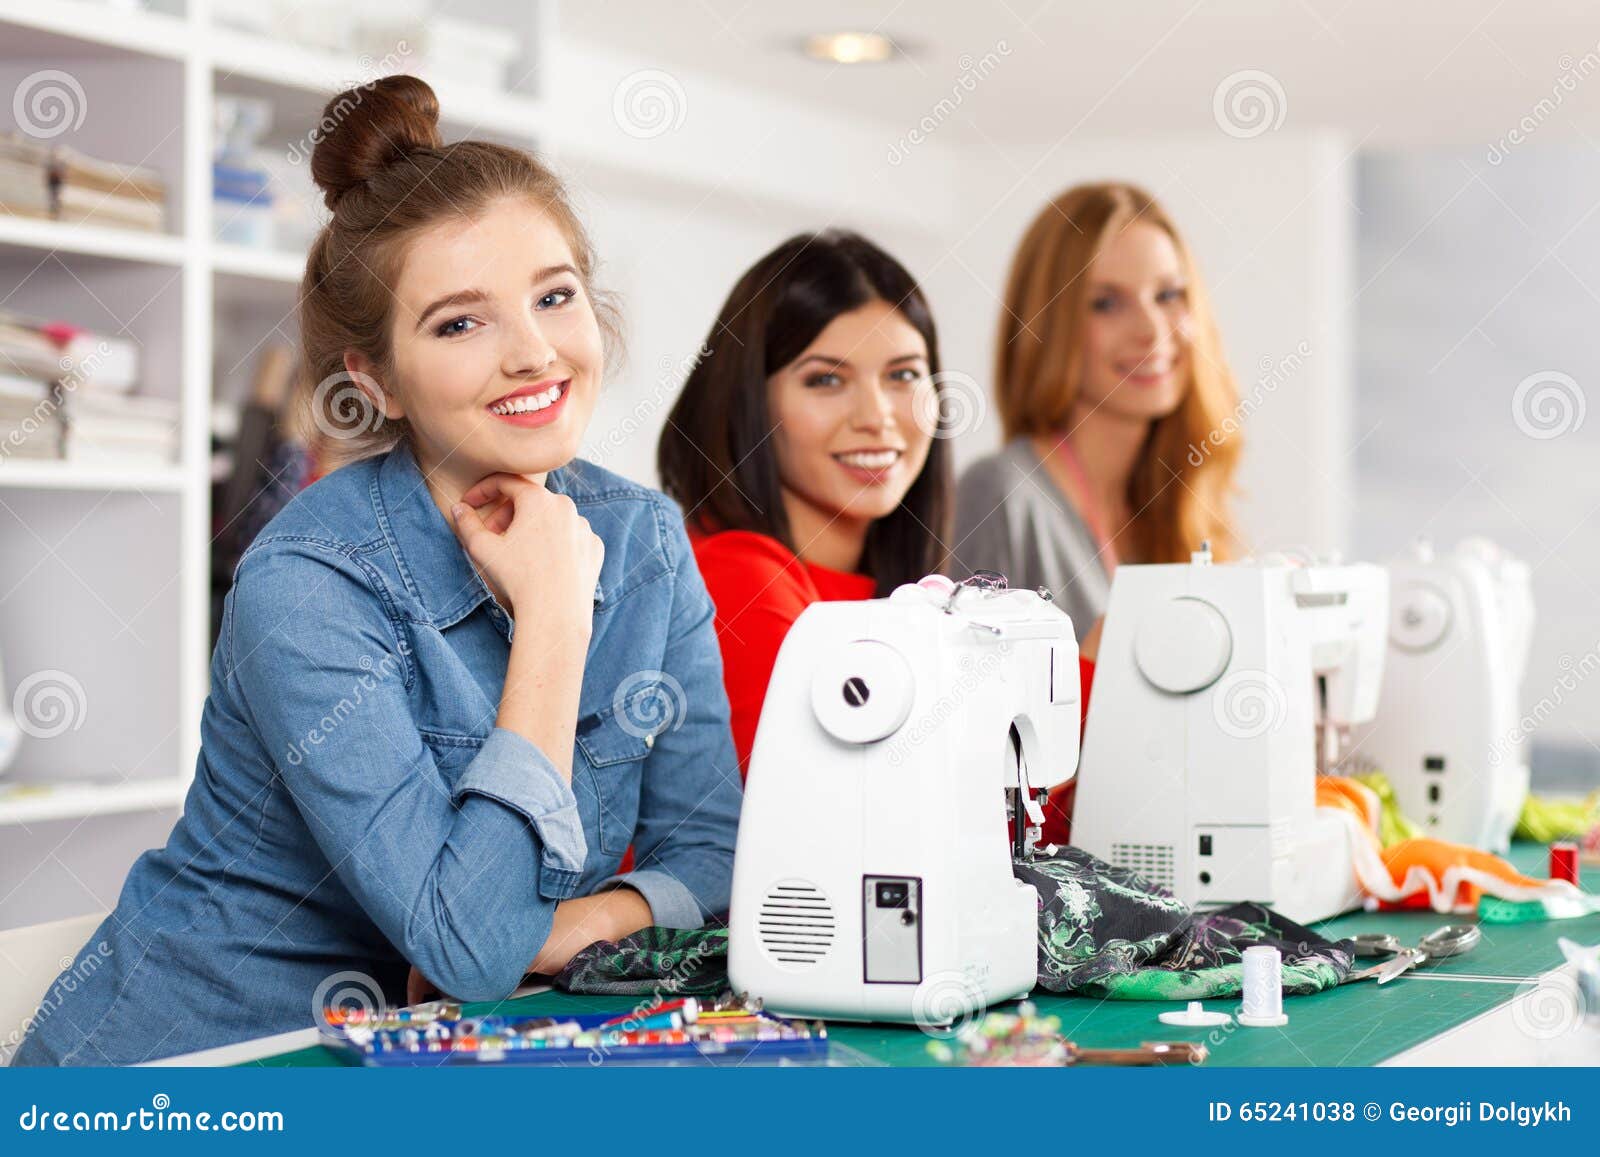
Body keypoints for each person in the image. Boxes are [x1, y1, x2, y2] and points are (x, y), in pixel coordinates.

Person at [12, 75, 740, 1066]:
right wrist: (557, 618)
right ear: (377, 381)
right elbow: (472, 945)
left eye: (554, 295)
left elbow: (716, 851)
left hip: (421, 1052)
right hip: (194, 1067)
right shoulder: (306, 584)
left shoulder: (645, 538)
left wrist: (575, 924)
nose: (533, 352)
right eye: (459, 322)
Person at [953, 182, 1244, 843]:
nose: (1152, 328)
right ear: (1048, 325)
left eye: (1170, 295)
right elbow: (970, 769)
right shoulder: (1000, 494)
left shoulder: (1178, 501)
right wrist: (1091, 667)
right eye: (1106, 303)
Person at [657, 231, 953, 779]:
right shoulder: (738, 579)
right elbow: (856, 812)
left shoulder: (892, 598)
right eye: (826, 380)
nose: (877, 416)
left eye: (904, 374)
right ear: (750, 403)